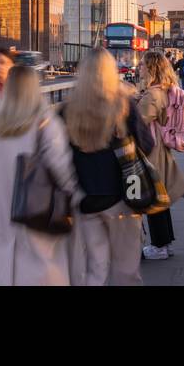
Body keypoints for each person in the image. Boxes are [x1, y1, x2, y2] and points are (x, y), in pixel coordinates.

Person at [0, 63, 79, 286]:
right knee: (40, 269)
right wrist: (74, 195)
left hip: (1, 216)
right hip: (38, 215)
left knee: (4, 269)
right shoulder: (46, 124)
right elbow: (61, 168)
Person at [62, 48, 152, 286]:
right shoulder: (124, 105)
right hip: (123, 198)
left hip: (86, 200)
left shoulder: (67, 109)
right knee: (126, 269)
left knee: (95, 267)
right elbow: (148, 145)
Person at [135, 50, 184, 260]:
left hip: (151, 153)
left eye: (142, 65)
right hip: (160, 151)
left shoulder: (152, 94)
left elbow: (138, 122)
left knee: (153, 199)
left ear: (151, 69)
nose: (139, 68)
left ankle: (158, 245)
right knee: (161, 198)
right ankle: (165, 243)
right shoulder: (164, 90)